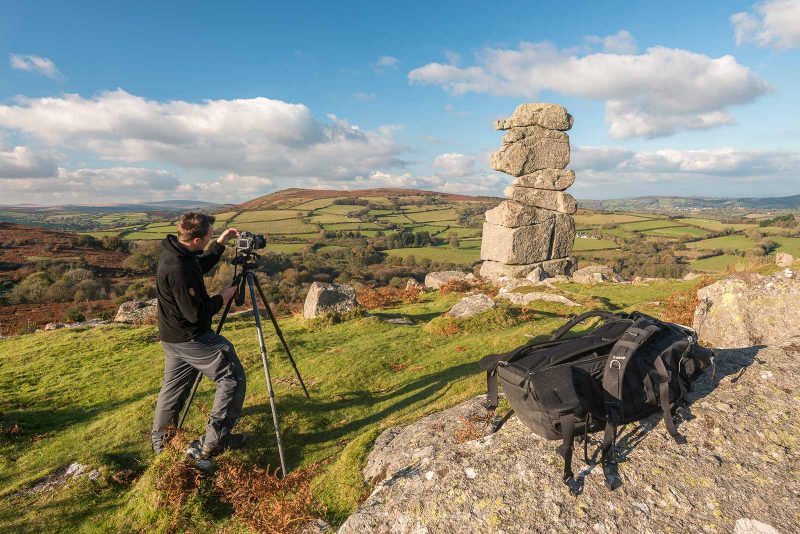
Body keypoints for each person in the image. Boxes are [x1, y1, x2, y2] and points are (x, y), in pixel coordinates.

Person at [150, 212, 244, 469]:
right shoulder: (178, 267)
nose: (211, 238)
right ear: (195, 240)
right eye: (210, 236)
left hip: (172, 336)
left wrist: (220, 244)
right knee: (232, 377)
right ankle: (212, 443)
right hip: (190, 337)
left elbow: (199, 266)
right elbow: (195, 313)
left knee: (172, 392)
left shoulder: (176, 253)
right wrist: (222, 297)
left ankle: (163, 447)